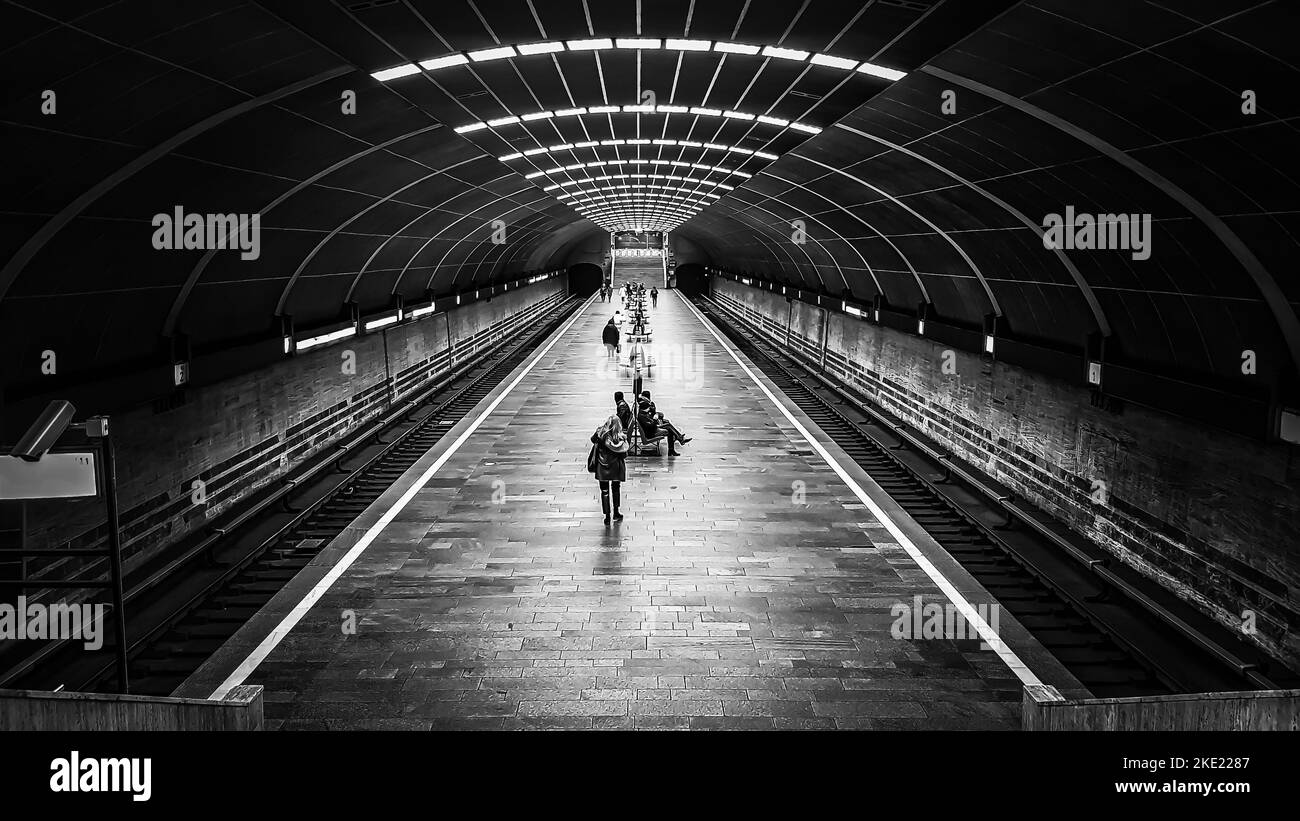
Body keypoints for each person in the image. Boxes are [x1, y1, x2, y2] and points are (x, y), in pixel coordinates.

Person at [590, 415, 629, 524]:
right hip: (616, 466)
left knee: (604, 491)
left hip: (602, 466)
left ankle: (607, 516)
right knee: (616, 488)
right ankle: (616, 512)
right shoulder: (619, 437)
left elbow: (593, 440)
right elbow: (624, 454)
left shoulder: (600, 433)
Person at [637, 390, 691, 456]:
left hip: (653, 428)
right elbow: (650, 425)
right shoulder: (642, 416)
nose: (649, 409)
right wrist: (654, 420)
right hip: (652, 432)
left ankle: (679, 439)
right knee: (669, 430)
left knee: (668, 425)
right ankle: (675, 445)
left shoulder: (643, 413)